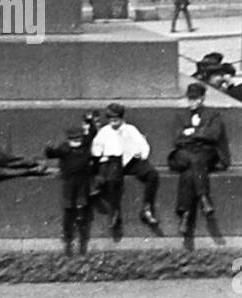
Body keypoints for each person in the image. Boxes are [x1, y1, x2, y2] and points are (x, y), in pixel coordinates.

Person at [168, 82, 230, 244]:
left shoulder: (213, 114)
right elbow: (177, 138)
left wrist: (192, 132)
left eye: (196, 99)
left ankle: (185, 214)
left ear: (202, 98)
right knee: (193, 161)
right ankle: (203, 198)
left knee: (189, 172)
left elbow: (213, 135)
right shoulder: (180, 116)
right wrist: (199, 133)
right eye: (190, 99)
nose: (192, 102)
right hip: (185, 153)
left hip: (205, 152)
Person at [91, 103, 160, 242]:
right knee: (113, 179)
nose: (113, 121)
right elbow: (96, 148)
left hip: (131, 161)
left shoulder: (130, 130)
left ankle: (147, 208)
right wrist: (103, 155)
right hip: (112, 162)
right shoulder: (104, 131)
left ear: (122, 118)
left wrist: (141, 156)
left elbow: (143, 145)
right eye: (110, 118)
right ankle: (114, 212)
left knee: (152, 174)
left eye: (116, 118)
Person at [45, 121, 97, 257]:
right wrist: (49, 149)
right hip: (70, 181)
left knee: (82, 204)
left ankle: (81, 227)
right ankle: (67, 233)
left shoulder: (85, 146)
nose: (77, 142)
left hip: (82, 181)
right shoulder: (65, 149)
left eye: (78, 139)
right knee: (68, 207)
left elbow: (91, 136)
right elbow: (53, 153)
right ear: (69, 140)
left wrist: (89, 124)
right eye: (74, 139)